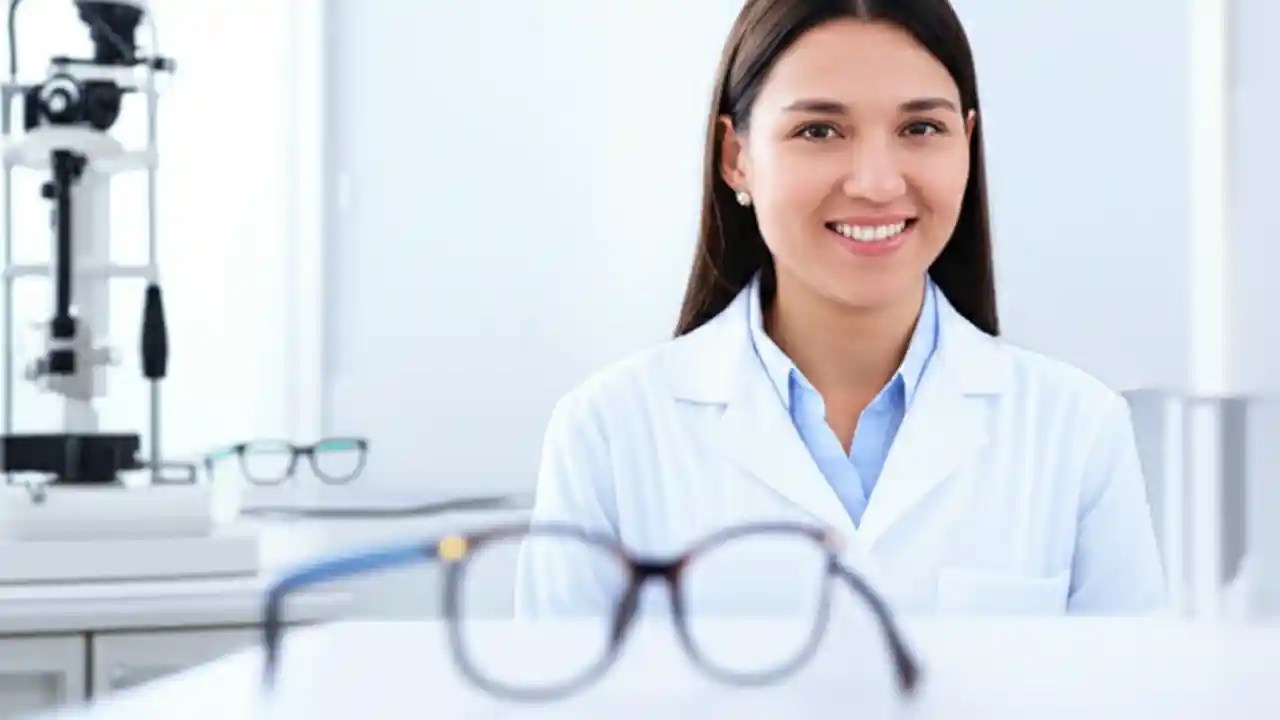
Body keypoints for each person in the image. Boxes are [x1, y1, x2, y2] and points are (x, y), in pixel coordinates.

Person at [514, 0, 1165, 618]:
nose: (877, 183)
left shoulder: (1077, 432)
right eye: (819, 130)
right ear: (737, 157)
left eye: (920, 128)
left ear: (967, 144)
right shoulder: (608, 434)